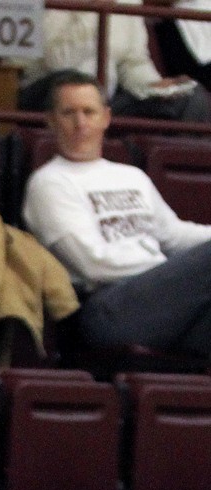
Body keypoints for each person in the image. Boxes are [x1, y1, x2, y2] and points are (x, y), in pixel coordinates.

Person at [23, 69, 211, 357]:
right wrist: (166, 272)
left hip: (159, 301)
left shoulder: (131, 176)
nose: (80, 123)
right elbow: (92, 264)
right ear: (50, 121)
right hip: (106, 309)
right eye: (68, 113)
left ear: (106, 118)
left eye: (89, 112)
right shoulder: (48, 183)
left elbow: (174, 235)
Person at [14, 0, 211, 123]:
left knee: (192, 99)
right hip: (47, 92)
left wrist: (155, 85)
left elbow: (133, 61)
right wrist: (93, 9)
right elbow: (58, 61)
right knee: (74, 81)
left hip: (105, 101)